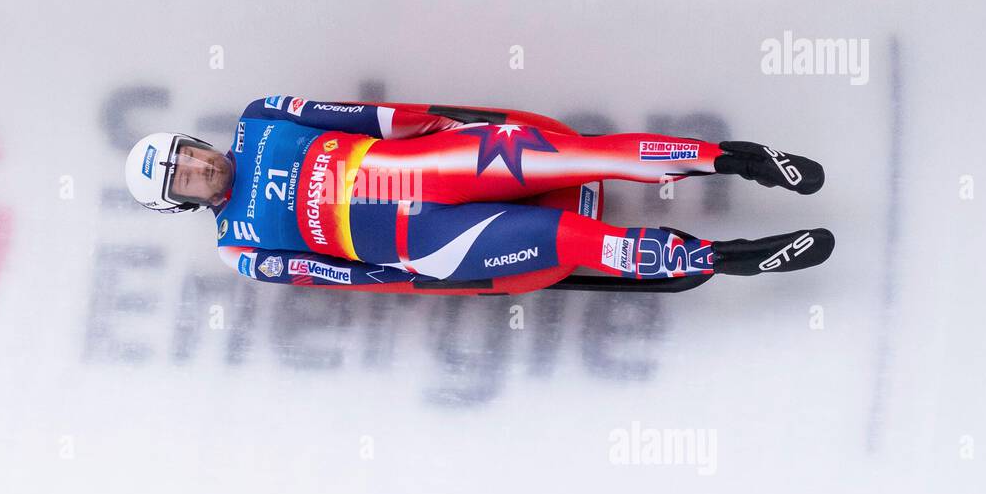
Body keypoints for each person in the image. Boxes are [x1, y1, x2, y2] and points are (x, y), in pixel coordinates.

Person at [124, 96, 833, 292]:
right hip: (419, 242)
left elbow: (362, 118)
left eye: (187, 154)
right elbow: (340, 275)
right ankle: (726, 259)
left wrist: (436, 124)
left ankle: (731, 159)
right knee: (574, 243)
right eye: (183, 178)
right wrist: (419, 279)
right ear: (182, 202)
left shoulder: (261, 118)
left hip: (427, 167)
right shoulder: (238, 249)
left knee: (576, 155)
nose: (197, 168)